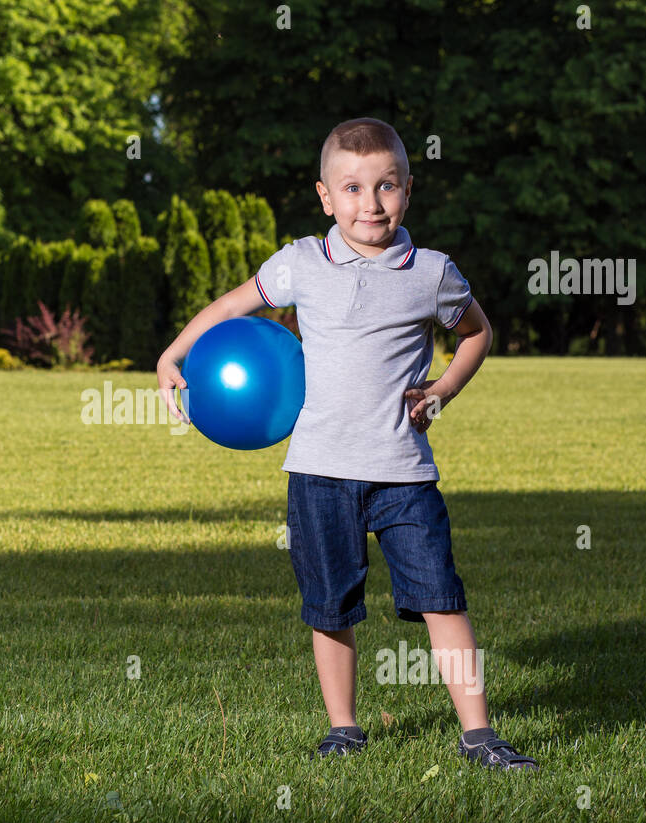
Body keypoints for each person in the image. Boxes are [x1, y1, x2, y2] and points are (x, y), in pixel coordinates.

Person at [157, 118, 538, 770]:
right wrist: (174, 352)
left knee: (442, 597)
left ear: (408, 190)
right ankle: (343, 727)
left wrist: (442, 388)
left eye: (386, 186)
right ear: (326, 196)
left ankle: (479, 735)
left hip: (403, 473)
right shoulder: (301, 263)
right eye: (354, 188)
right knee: (329, 604)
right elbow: (230, 307)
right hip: (318, 471)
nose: (372, 202)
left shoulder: (432, 273)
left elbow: (478, 333)